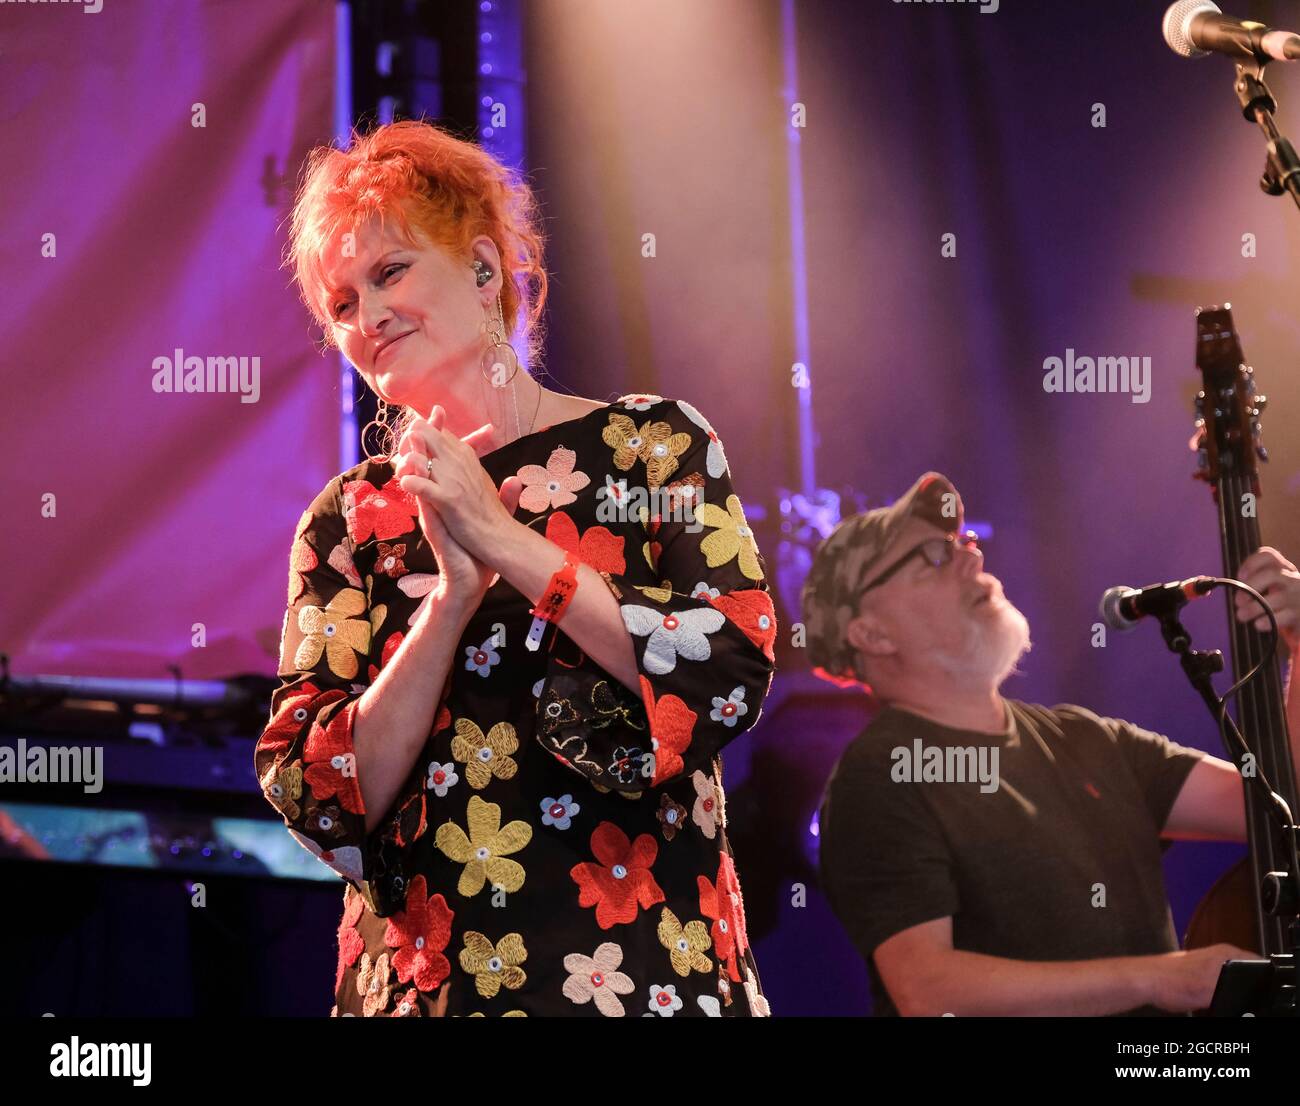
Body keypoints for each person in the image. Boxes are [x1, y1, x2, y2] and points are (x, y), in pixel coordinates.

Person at [255, 119, 777, 1016]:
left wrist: (505, 544)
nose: (367, 316)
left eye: (390, 272)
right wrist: (452, 601)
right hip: (430, 990)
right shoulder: (348, 519)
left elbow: (727, 666)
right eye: (340, 304)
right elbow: (322, 799)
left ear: (488, 269)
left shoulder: (649, 448)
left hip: (647, 970)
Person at [802, 471, 1300, 1016]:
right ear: (871, 632)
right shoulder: (878, 778)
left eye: (964, 543)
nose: (972, 557)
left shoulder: (1086, 739)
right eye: (933, 555)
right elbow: (928, 990)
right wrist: (1160, 979)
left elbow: (1282, 804)